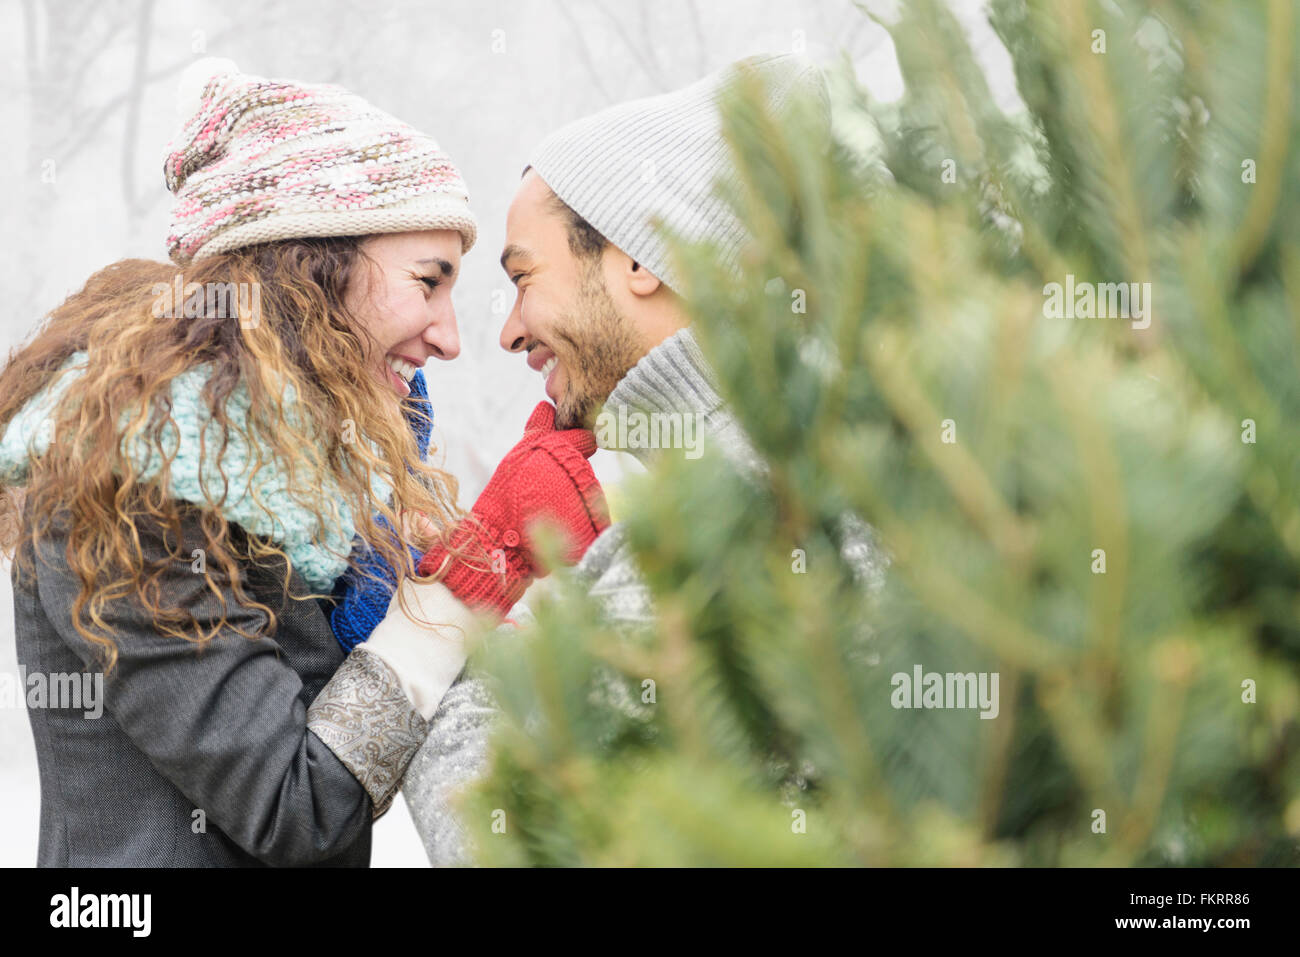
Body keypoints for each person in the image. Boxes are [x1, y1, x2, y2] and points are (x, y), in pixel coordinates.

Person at [0, 58, 607, 866]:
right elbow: (297, 804)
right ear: (313, 270)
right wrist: (467, 576)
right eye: (429, 281)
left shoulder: (297, 474)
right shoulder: (134, 480)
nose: (452, 336)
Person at [398, 53, 885, 865]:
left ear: (638, 258)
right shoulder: (769, 448)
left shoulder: (750, 490)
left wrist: (469, 662)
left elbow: (517, 837)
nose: (507, 330)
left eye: (524, 277)